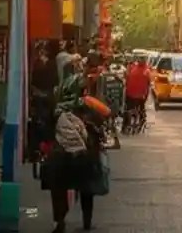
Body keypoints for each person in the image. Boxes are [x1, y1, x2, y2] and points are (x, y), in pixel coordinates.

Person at [41, 70, 108, 232]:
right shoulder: (87, 105)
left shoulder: (55, 110)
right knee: (87, 188)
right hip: (84, 158)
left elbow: (46, 132)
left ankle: (59, 220)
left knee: (58, 189)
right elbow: (105, 115)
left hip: (60, 158)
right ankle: (86, 221)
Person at [123, 58, 151, 132]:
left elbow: (126, 77)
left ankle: (129, 124)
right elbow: (126, 76)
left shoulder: (144, 70)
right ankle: (137, 122)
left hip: (135, 94)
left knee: (131, 109)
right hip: (135, 94)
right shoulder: (138, 69)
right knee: (134, 109)